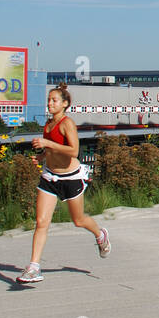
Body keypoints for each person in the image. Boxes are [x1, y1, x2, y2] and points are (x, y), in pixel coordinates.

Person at [18, 84, 110, 284]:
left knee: (78, 220)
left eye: (54, 100)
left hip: (71, 178)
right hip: (50, 177)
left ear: (65, 104)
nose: (50, 104)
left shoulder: (67, 124)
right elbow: (52, 150)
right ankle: (33, 267)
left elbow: (73, 151)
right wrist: (41, 156)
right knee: (42, 222)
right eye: (49, 100)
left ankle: (100, 234)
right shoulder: (48, 124)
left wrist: (47, 144)